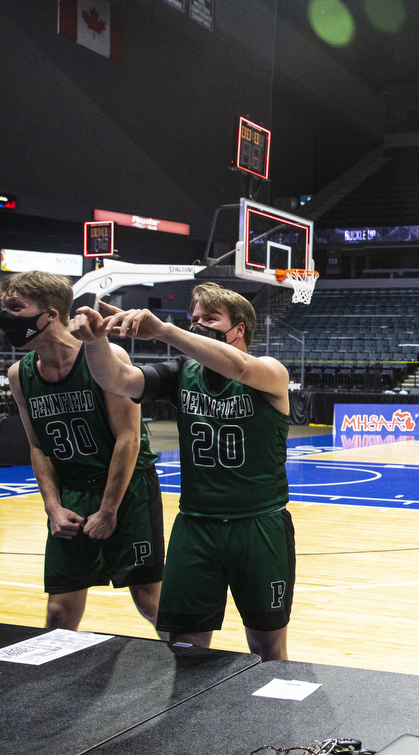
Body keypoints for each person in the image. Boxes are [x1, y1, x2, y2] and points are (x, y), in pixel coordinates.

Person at [70, 283, 293, 660]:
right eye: (193, 319)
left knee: (266, 646)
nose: (198, 325)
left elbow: (238, 366)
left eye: (209, 318)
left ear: (239, 328)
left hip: (257, 525)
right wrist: (95, 342)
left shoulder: (270, 371)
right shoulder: (181, 373)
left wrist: (164, 330)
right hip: (195, 526)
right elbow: (116, 381)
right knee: (185, 645)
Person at [0, 271, 163, 633]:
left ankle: (196, 670)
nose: (4, 317)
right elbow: (39, 447)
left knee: (150, 600)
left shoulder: (103, 355)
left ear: (50, 313)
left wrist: (109, 509)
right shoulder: (18, 374)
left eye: (14, 307)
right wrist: (52, 507)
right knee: (59, 613)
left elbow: (128, 439)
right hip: (72, 490)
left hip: (126, 488)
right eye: (2, 307)